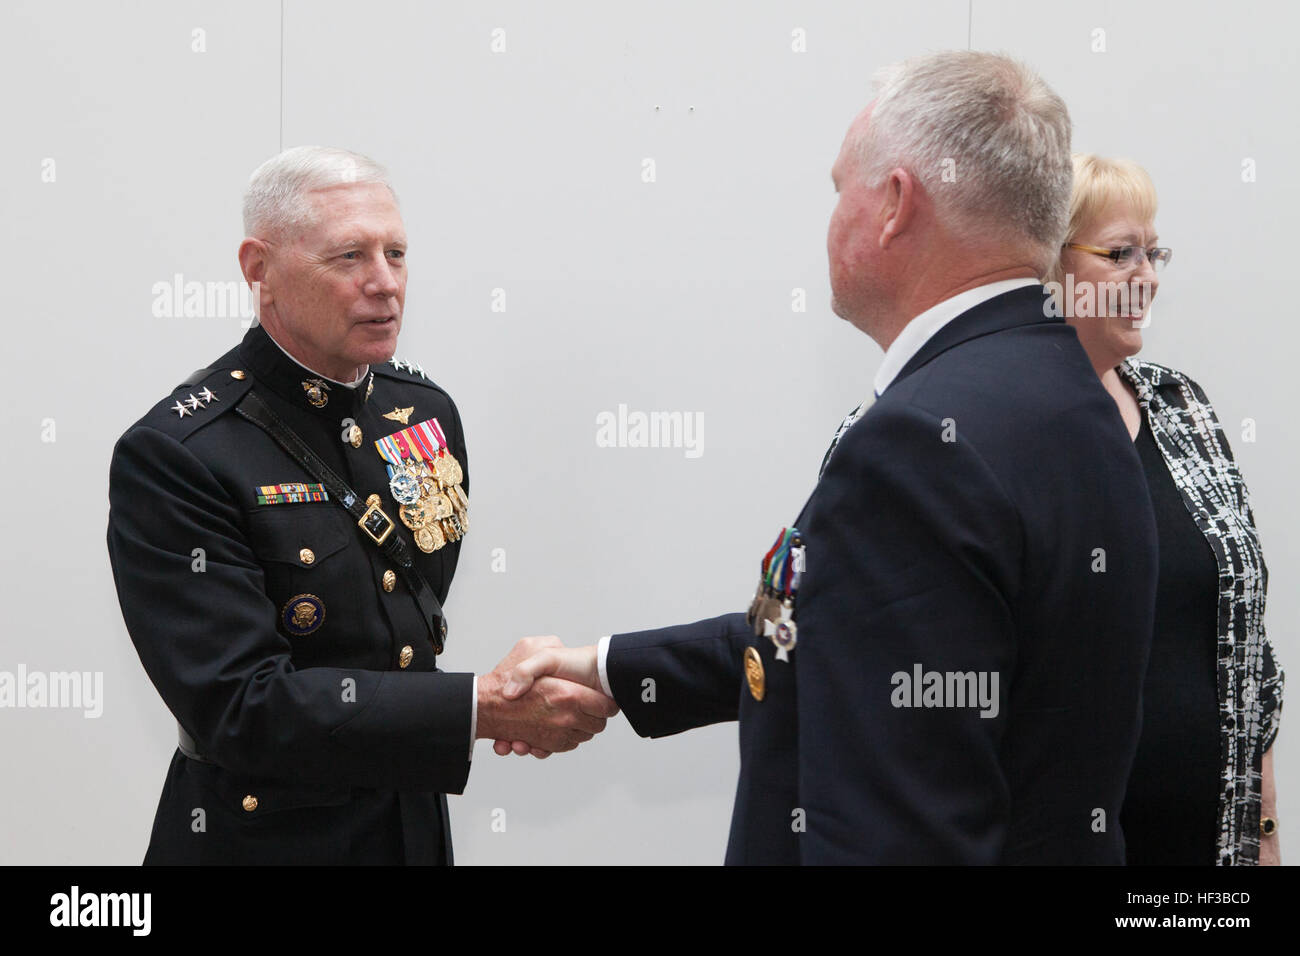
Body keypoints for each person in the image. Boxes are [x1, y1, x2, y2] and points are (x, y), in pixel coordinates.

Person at [497, 52, 1160, 864]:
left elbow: (896, 830)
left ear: (892, 205)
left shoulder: (917, 443)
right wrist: (606, 665)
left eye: (838, 186)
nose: (830, 219)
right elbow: (836, 629)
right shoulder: (1079, 401)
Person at [106, 146, 617, 865]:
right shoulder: (181, 453)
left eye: (397, 253)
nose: (386, 285)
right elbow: (240, 708)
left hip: (406, 825)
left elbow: (405, 633)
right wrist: (479, 707)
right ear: (259, 269)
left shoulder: (422, 414)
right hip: (265, 841)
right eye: (349, 257)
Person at [1049, 155, 1283, 865]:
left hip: (1209, 857)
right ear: (1047, 268)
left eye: (1155, 252)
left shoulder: (1181, 407)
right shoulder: (1001, 426)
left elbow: (1249, 651)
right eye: (1120, 253)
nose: (1147, 275)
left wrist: (1265, 830)